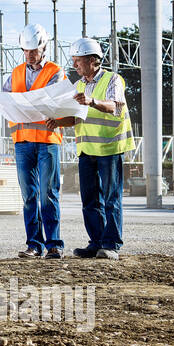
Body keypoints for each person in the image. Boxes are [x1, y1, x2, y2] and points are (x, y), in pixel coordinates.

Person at [0, 23, 64, 258]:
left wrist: (23, 102)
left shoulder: (55, 71)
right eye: (26, 51)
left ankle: (54, 244)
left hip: (47, 141)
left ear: (43, 47)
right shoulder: (15, 73)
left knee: (48, 194)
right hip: (22, 142)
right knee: (29, 196)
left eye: (34, 50)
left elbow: (52, 102)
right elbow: (1, 100)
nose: (30, 55)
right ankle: (34, 244)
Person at [52, 37, 134, 259]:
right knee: (89, 199)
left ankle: (111, 244)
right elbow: (76, 118)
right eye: (74, 61)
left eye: (78, 61)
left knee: (111, 198)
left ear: (92, 60)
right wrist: (58, 121)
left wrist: (92, 102)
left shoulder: (113, 80)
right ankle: (96, 242)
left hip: (109, 148)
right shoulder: (78, 85)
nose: (75, 65)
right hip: (87, 150)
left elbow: (115, 107)